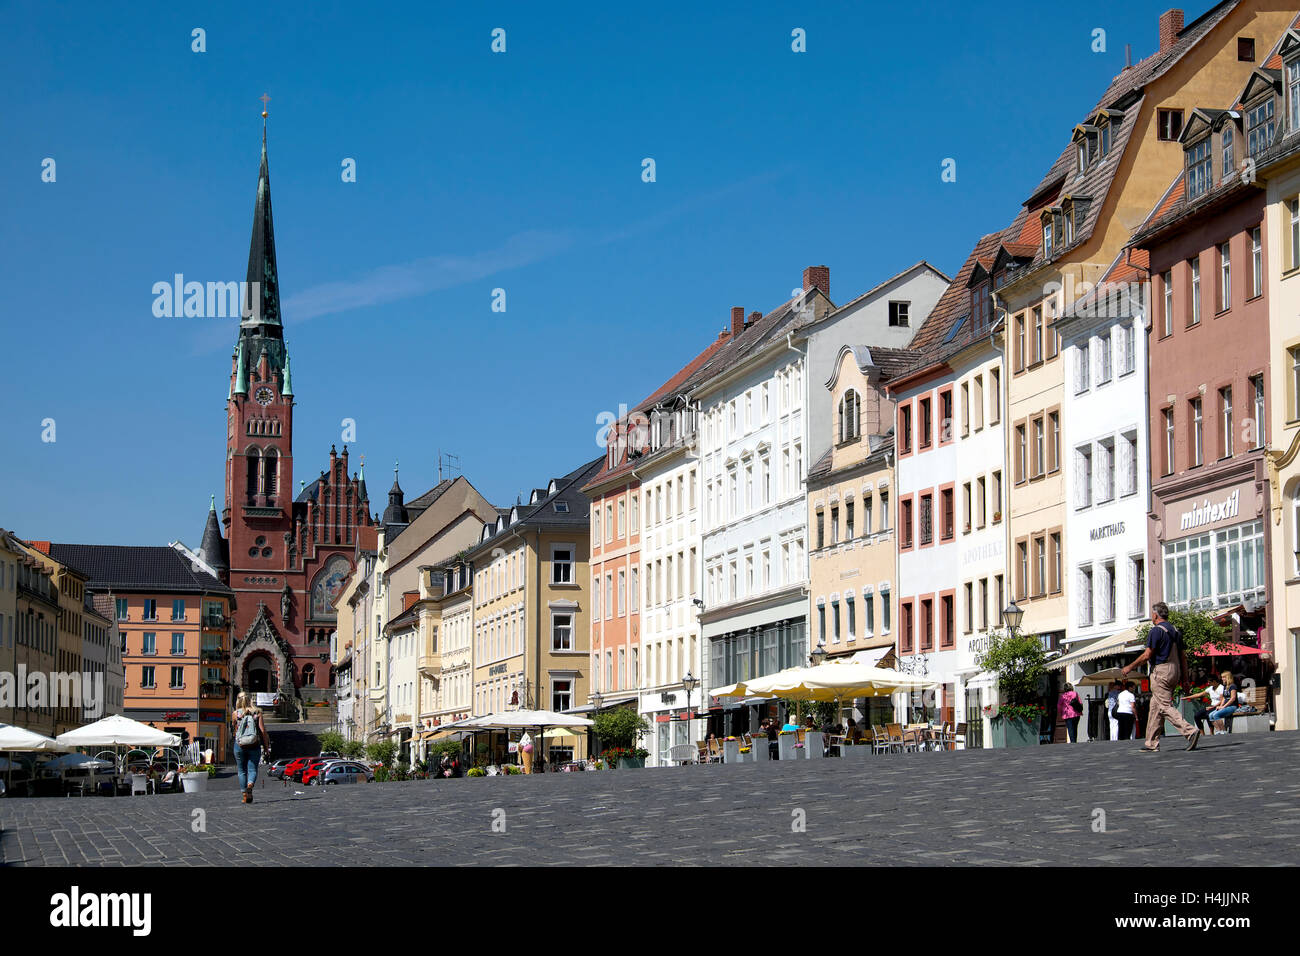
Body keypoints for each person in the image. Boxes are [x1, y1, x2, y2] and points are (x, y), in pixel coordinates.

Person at [1122, 602, 1199, 752]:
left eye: (1152, 614)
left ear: (1155, 615)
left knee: (1164, 706)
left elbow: (1147, 655)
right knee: (1155, 706)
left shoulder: (1156, 631)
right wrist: (1185, 680)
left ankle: (1189, 731)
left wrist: (1130, 667)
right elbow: (1183, 657)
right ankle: (1151, 743)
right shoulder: (1175, 631)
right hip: (1175, 670)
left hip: (1161, 671)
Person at [231, 692, 270, 803]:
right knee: (252, 769)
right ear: (250, 700)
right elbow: (262, 731)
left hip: (240, 746)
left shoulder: (235, 713)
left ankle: (244, 795)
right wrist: (266, 747)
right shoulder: (257, 713)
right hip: (254, 744)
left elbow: (235, 729)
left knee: (241, 770)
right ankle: (250, 785)